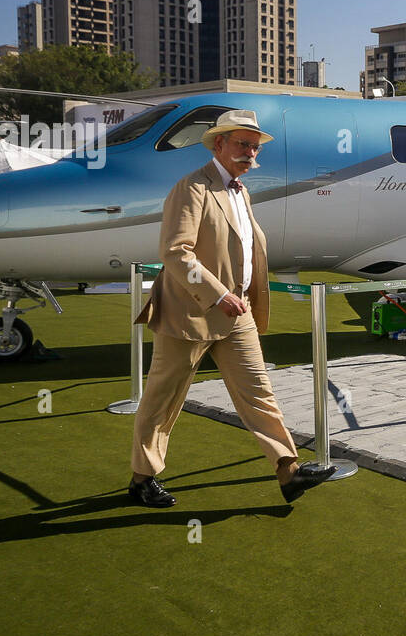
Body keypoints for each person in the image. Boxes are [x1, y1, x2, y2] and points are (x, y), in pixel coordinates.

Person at [129, 109, 336, 507]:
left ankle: (288, 471)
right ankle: (142, 478)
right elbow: (175, 253)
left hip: (234, 314)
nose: (250, 151)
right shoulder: (192, 188)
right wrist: (218, 294)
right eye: (243, 143)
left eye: (254, 145)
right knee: (162, 400)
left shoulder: (240, 191)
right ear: (218, 144)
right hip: (189, 315)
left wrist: (235, 299)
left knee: (259, 394)